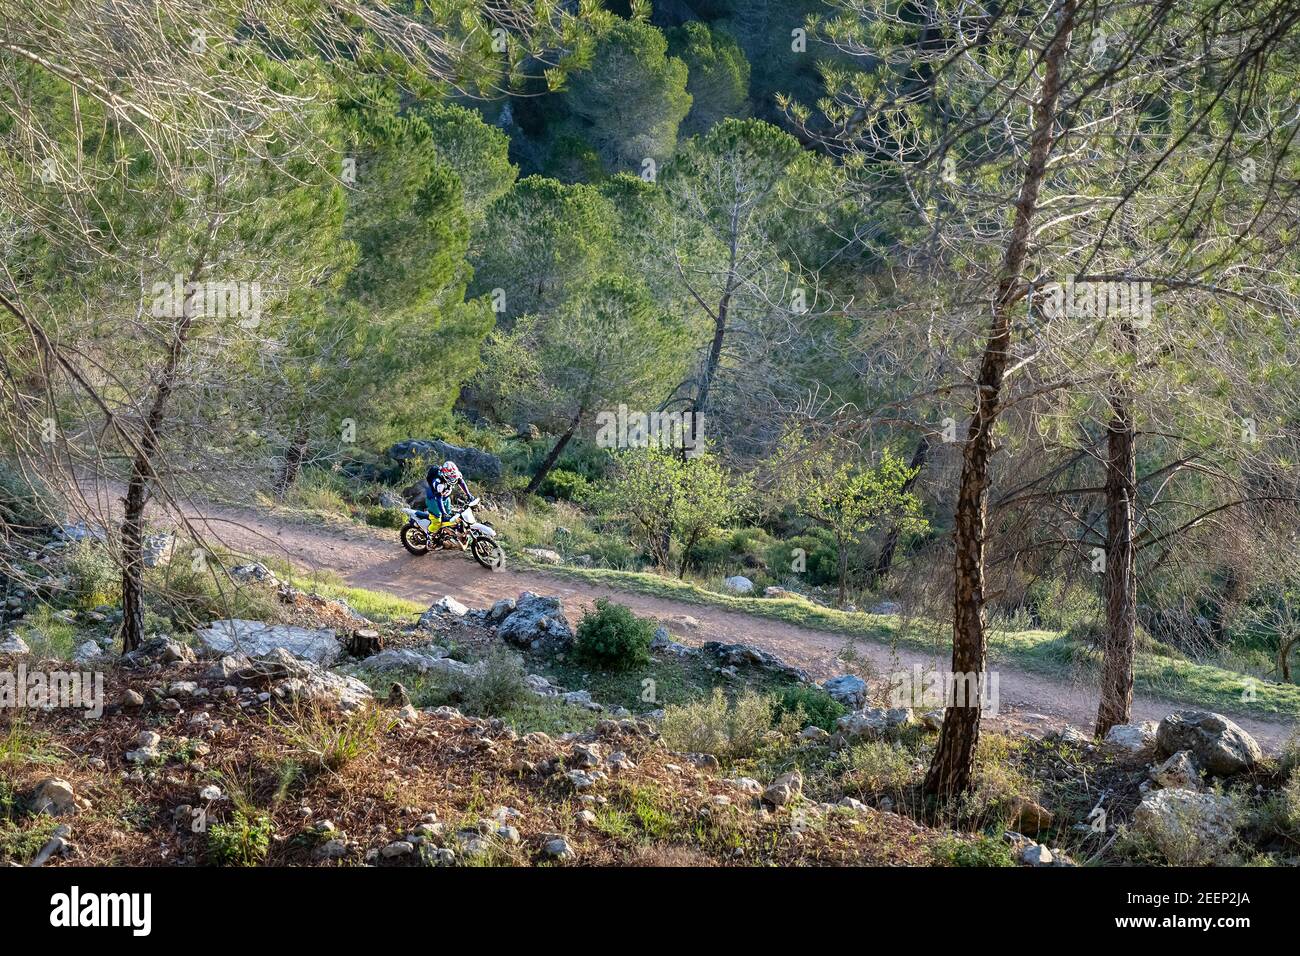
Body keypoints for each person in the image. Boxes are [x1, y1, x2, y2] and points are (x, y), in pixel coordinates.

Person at [424, 460, 472, 526]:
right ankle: (429, 533)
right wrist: (444, 513)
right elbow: (439, 499)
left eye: (454, 476)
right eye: (451, 477)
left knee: (450, 518)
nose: (453, 479)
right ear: (445, 475)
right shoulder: (439, 483)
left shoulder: (454, 474)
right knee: (437, 521)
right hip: (433, 500)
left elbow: (461, 482)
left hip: (445, 498)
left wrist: (468, 494)